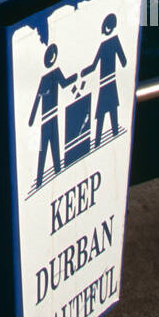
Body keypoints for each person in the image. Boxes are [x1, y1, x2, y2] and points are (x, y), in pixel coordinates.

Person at [29, 44, 77, 188]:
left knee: (54, 145)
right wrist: (31, 119)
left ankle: (55, 172)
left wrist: (74, 78)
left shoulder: (55, 73)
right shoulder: (48, 77)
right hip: (48, 118)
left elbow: (64, 83)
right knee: (44, 148)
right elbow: (37, 99)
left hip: (52, 117)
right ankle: (40, 179)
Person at [81, 13, 127, 146]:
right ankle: (113, 135)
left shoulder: (107, 44)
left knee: (103, 112)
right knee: (110, 109)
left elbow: (94, 65)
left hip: (106, 83)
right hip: (110, 82)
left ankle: (98, 141)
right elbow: (123, 61)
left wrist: (86, 71)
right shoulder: (113, 42)